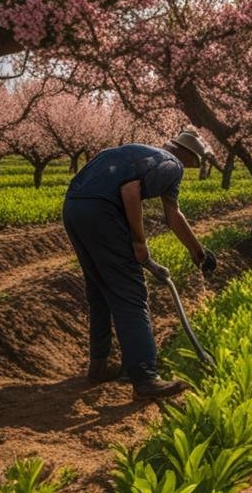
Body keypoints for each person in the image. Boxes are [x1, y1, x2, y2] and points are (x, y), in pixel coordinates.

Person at [61, 129, 218, 399]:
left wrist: (198, 251)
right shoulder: (172, 163)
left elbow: (173, 215)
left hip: (74, 207)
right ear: (188, 154)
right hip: (102, 211)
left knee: (100, 290)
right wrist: (139, 242)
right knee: (131, 295)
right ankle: (145, 378)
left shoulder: (146, 154)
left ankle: (99, 364)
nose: (197, 165)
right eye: (198, 159)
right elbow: (130, 190)